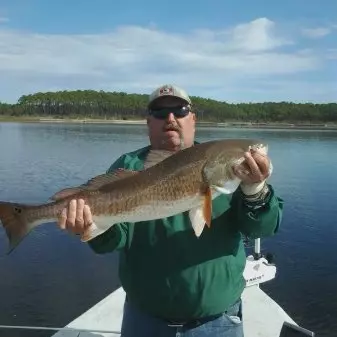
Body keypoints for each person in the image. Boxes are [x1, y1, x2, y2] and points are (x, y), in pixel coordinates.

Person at [58, 84, 284, 337]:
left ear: (193, 119)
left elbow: (263, 228)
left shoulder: (232, 171)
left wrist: (255, 189)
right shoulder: (129, 166)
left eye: (180, 110)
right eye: (159, 112)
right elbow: (111, 241)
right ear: (148, 122)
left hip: (218, 323)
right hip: (145, 322)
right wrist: (89, 227)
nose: (170, 118)